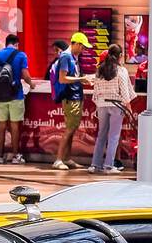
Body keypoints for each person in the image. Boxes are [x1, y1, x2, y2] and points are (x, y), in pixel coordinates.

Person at [0, 33, 35, 163]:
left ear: (6, 43)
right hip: (16, 94)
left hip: (0, 95)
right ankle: (15, 156)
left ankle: (0, 156)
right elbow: (25, 75)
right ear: (16, 44)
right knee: (14, 126)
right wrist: (31, 84)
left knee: (2, 125)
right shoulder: (21, 55)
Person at [51, 31, 94, 170]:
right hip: (70, 97)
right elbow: (62, 79)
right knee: (69, 129)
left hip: (76, 95)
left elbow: (71, 76)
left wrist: (83, 78)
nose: (83, 49)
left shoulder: (73, 58)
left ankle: (67, 158)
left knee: (73, 128)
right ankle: (58, 159)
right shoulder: (66, 57)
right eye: (82, 46)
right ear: (75, 43)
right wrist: (81, 79)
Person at [91, 43, 134, 174]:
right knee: (114, 136)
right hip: (116, 105)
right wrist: (129, 106)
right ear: (120, 56)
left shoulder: (100, 70)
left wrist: (97, 104)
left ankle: (95, 164)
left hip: (102, 105)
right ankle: (108, 166)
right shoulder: (121, 70)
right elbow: (125, 92)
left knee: (101, 135)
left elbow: (95, 91)